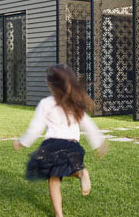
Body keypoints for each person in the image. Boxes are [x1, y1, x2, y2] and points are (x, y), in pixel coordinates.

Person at [14, 64, 108, 217]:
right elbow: (88, 125)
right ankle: (81, 173)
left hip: (52, 146)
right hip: (73, 146)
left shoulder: (46, 103)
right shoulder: (75, 102)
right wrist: (98, 143)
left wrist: (22, 142)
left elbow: (35, 128)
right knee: (63, 171)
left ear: (51, 85)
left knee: (53, 179)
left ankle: (60, 214)